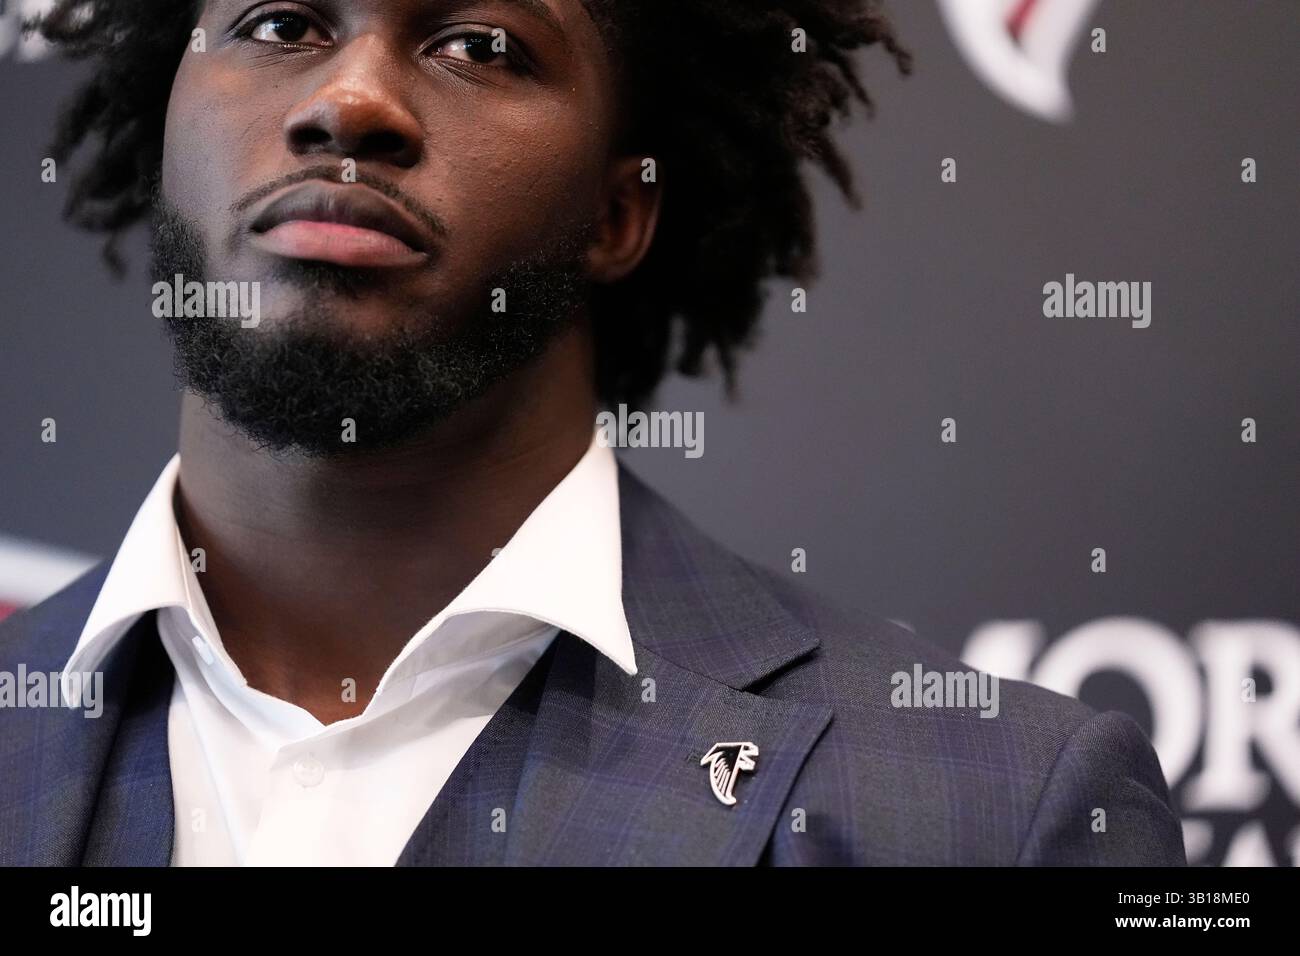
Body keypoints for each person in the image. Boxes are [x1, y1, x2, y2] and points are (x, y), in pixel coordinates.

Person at [0, 0, 1185, 865]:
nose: (348, 98)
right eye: (278, 21)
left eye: (480, 45)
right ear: (167, 124)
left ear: (619, 211)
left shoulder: (1003, 807)